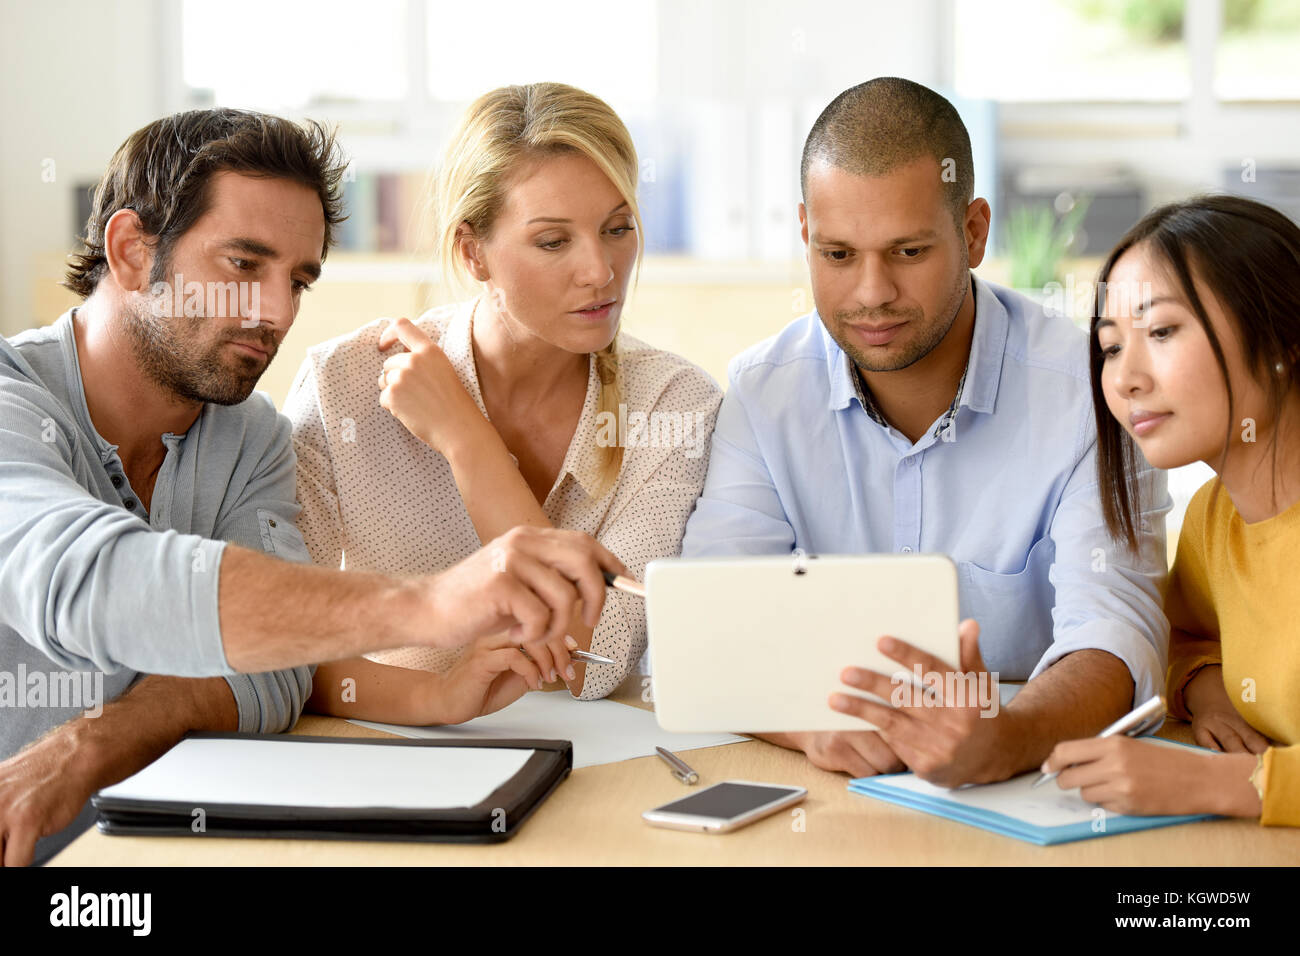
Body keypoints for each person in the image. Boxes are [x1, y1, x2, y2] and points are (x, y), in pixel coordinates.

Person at [0, 108, 625, 866]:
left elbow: (276, 672)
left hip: (142, 844)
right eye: (243, 266)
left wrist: (95, 743)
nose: (275, 313)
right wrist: (432, 605)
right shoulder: (13, 403)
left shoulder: (248, 434)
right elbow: (89, 580)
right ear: (132, 251)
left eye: (297, 279)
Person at [680, 77, 1171, 787]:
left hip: (1021, 793)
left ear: (973, 232)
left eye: (908, 252)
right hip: (827, 797)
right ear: (805, 234)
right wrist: (807, 725)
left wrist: (1012, 737)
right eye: (838, 254)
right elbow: (702, 631)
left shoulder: (1088, 392)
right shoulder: (763, 393)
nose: (871, 292)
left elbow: (1117, 633)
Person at [288, 82, 722, 722]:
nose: (600, 270)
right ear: (473, 251)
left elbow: (592, 657)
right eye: (553, 241)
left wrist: (467, 440)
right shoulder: (342, 386)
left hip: (600, 771)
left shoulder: (672, 405)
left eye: (618, 228)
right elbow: (279, 648)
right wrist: (433, 698)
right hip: (388, 752)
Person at [1041, 195, 1299, 827]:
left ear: (1283, 338)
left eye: (1160, 332)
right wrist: (1214, 701)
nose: (1125, 378)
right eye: (1109, 346)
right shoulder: (1217, 517)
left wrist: (1229, 783)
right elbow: (1186, 638)